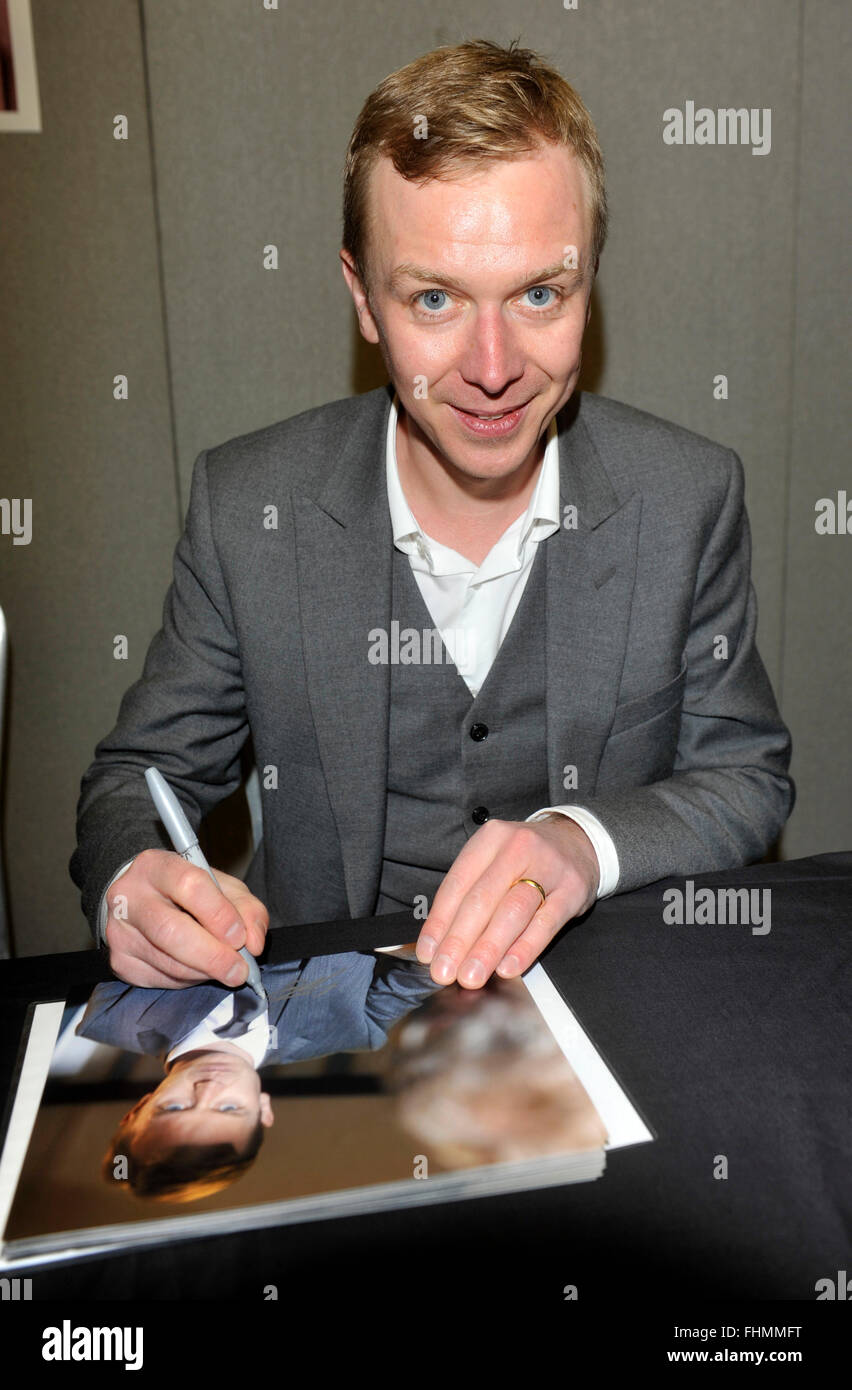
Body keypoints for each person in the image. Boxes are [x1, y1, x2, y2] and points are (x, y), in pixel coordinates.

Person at [70, 39, 793, 997]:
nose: (493, 368)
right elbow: (135, 779)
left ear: (591, 284)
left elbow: (747, 778)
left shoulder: (688, 496)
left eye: (541, 293)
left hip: (608, 1015)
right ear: (363, 298)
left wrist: (581, 842)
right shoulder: (247, 510)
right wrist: (131, 882)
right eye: (436, 298)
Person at [81, 950, 440, 1200]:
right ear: (263, 1110)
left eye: (174, 1109)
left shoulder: (114, 1011)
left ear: (140, 1107)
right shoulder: (353, 1032)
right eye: (228, 1110)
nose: (208, 1089)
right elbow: (427, 969)